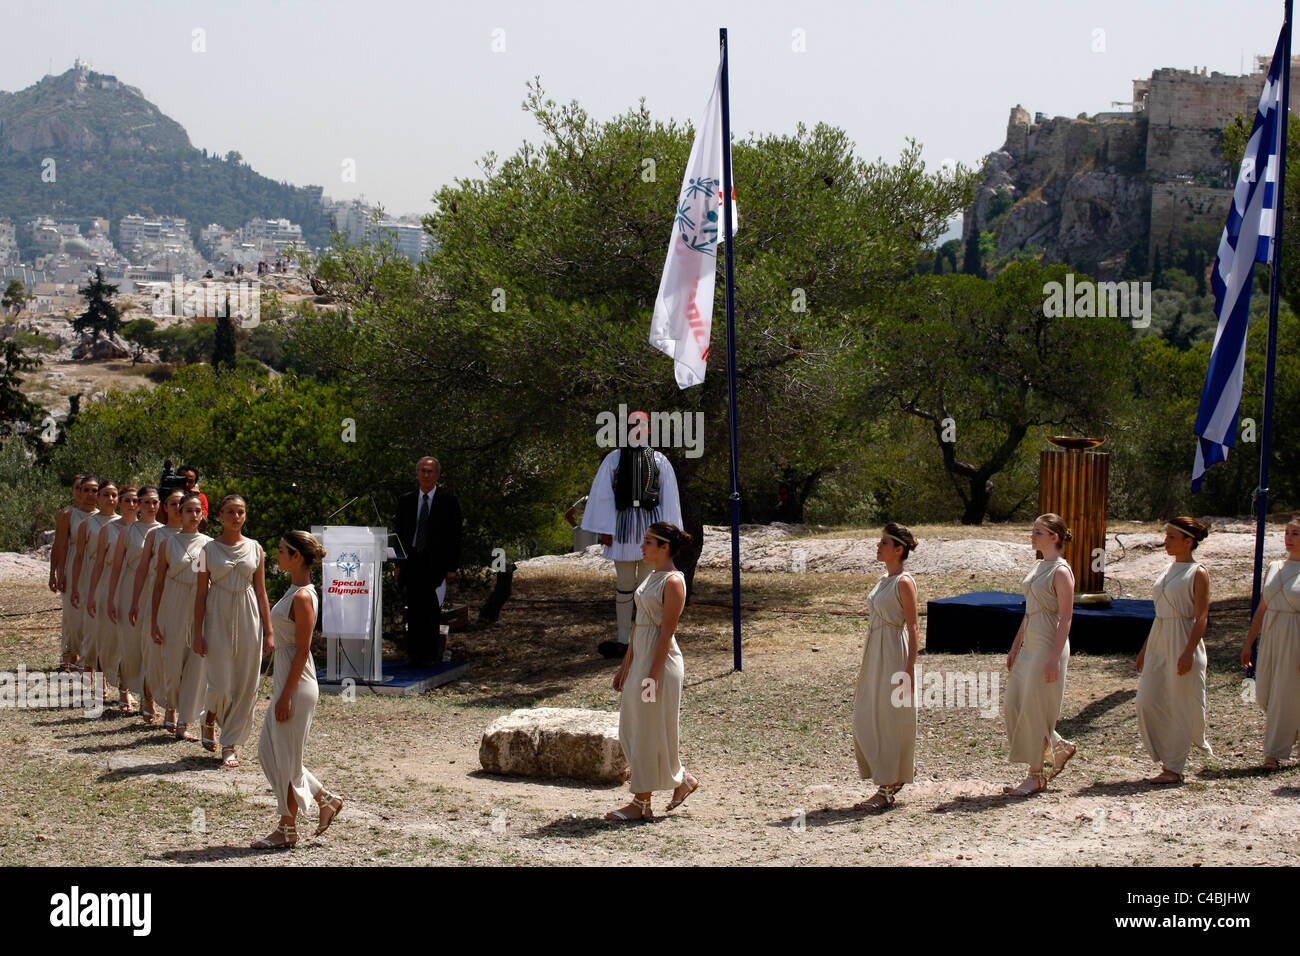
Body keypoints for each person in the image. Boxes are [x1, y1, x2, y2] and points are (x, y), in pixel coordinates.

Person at [252, 530, 344, 849]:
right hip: (286, 680)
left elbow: (304, 650)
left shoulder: (303, 596)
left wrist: (286, 696)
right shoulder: (293, 590)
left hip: (298, 683)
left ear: (296, 556)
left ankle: (286, 828)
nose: (275, 555)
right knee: (269, 751)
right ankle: (325, 799)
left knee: (287, 759)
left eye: (280, 551)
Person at [605, 522, 698, 822]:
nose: (642, 547)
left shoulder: (673, 582)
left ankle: (641, 803)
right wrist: (625, 666)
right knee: (631, 727)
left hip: (661, 663)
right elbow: (638, 628)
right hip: (642, 658)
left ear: (664, 547)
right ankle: (682, 779)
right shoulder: (652, 577)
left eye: (648, 542)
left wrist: (652, 677)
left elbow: (665, 633)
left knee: (647, 729)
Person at [581, 411, 683, 658]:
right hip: (623, 527)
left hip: (650, 527)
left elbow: (669, 498)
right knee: (625, 586)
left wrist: (667, 533)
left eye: (642, 425)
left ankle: (646, 638)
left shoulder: (660, 460)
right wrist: (605, 529)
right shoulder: (614, 459)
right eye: (633, 425)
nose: (638, 429)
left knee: (648, 586)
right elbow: (603, 494)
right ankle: (623, 639)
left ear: (649, 429)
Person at [193, 495, 273, 767]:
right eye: (230, 512)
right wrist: (196, 631)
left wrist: (269, 631)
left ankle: (229, 743)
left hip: (248, 614)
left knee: (245, 683)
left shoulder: (256, 549)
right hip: (217, 613)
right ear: (221, 516)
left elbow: (261, 592)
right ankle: (210, 715)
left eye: (240, 512)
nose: (236, 517)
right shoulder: (207, 551)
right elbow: (200, 594)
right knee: (220, 682)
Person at [1003, 514, 1077, 796]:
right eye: (1033, 531)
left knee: (1033, 708)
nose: (1032, 536)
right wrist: (1014, 646)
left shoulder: (1060, 571)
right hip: (1030, 641)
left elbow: (1066, 617)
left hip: (1048, 642)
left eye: (1039, 532)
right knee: (1013, 704)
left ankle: (1035, 775)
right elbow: (1029, 610)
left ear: (1054, 537)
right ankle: (1059, 746)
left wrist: (1054, 657)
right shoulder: (1038, 567)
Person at [1135, 517, 1212, 785]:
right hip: (1159, 637)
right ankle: (1167, 758)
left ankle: (1174, 767)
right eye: (1166, 536)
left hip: (1183, 637)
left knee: (1179, 703)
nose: (1165, 541)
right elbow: (1160, 614)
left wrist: (1188, 651)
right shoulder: (1167, 571)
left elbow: (1202, 616)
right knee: (1146, 700)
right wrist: (1145, 648)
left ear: (1188, 541)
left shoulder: (1198, 572)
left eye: (1171, 537)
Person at [852, 524, 920, 810]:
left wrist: (909, 669)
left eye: (883, 543)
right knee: (865, 714)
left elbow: (914, 627)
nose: (877, 547)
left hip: (893, 649)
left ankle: (887, 786)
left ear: (898, 549)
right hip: (875, 650)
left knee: (889, 718)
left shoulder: (904, 582)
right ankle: (897, 771)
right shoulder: (883, 580)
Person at [150, 494, 211, 741]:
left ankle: (185, 720)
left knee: (196, 663)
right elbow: (158, 582)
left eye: (197, 511)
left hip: (199, 604)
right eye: (188, 511)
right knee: (173, 659)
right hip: (173, 602)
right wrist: (154, 618)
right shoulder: (168, 543)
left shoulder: (209, 544)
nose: (193, 515)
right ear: (179, 513)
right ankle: (171, 709)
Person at [1241, 515, 1300, 768]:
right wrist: (1249, 642)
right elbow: (1262, 608)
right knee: (1265, 693)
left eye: (1295, 533)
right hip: (1272, 635)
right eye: (1287, 533)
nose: (1289, 538)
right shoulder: (1275, 566)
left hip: (1295, 635)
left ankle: (1272, 754)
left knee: (1285, 694)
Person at [393, 457, 462, 666]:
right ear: (417, 474)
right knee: (413, 611)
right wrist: (397, 564)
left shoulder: (448, 501)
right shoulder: (406, 500)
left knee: (431, 610)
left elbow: (455, 535)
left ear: (437, 475)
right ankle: (413, 655)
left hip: (436, 563)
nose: (426, 475)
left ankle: (430, 655)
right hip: (412, 560)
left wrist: (451, 567)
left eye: (430, 471)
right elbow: (399, 533)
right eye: (422, 471)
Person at [130, 489, 184, 728]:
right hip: (155, 593)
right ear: (166, 507)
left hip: (183, 599)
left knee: (178, 654)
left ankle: (172, 708)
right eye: (172, 504)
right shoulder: (156, 534)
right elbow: (142, 568)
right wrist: (134, 599)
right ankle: (148, 696)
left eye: (181, 504)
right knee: (152, 649)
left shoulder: (194, 536)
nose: (177, 508)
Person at [110, 486, 161, 722]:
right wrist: (111, 597)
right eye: (147, 502)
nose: (151, 507)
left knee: (150, 647)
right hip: (129, 587)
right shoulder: (128, 532)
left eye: (155, 502)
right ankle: (124, 688)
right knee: (129, 644)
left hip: (156, 590)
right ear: (138, 504)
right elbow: (117, 567)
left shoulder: (164, 532)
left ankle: (147, 699)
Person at [87, 484, 137, 711]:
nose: (132, 505)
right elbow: (98, 563)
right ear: (120, 503)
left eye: (136, 500)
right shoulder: (108, 529)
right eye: (127, 500)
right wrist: (92, 593)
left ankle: (125, 690)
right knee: (107, 638)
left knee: (128, 641)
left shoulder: (146, 530)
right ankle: (100, 680)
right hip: (109, 583)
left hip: (134, 585)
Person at [71, 479, 119, 693]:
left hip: (117, 578)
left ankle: (107, 677)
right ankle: (87, 670)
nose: (110, 499)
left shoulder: (124, 523)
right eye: (106, 494)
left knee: (110, 630)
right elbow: (79, 556)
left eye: (113, 495)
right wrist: (75, 585)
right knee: (91, 627)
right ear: (99, 497)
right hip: (91, 574)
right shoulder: (87, 524)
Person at [50, 475, 94, 670]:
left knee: (90, 613)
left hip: (95, 566)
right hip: (73, 564)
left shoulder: (103, 516)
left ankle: (87, 657)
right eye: (82, 489)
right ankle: (68, 653)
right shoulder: (68, 514)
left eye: (93, 490)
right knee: (71, 612)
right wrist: (56, 572)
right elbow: (59, 544)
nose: (87, 494)